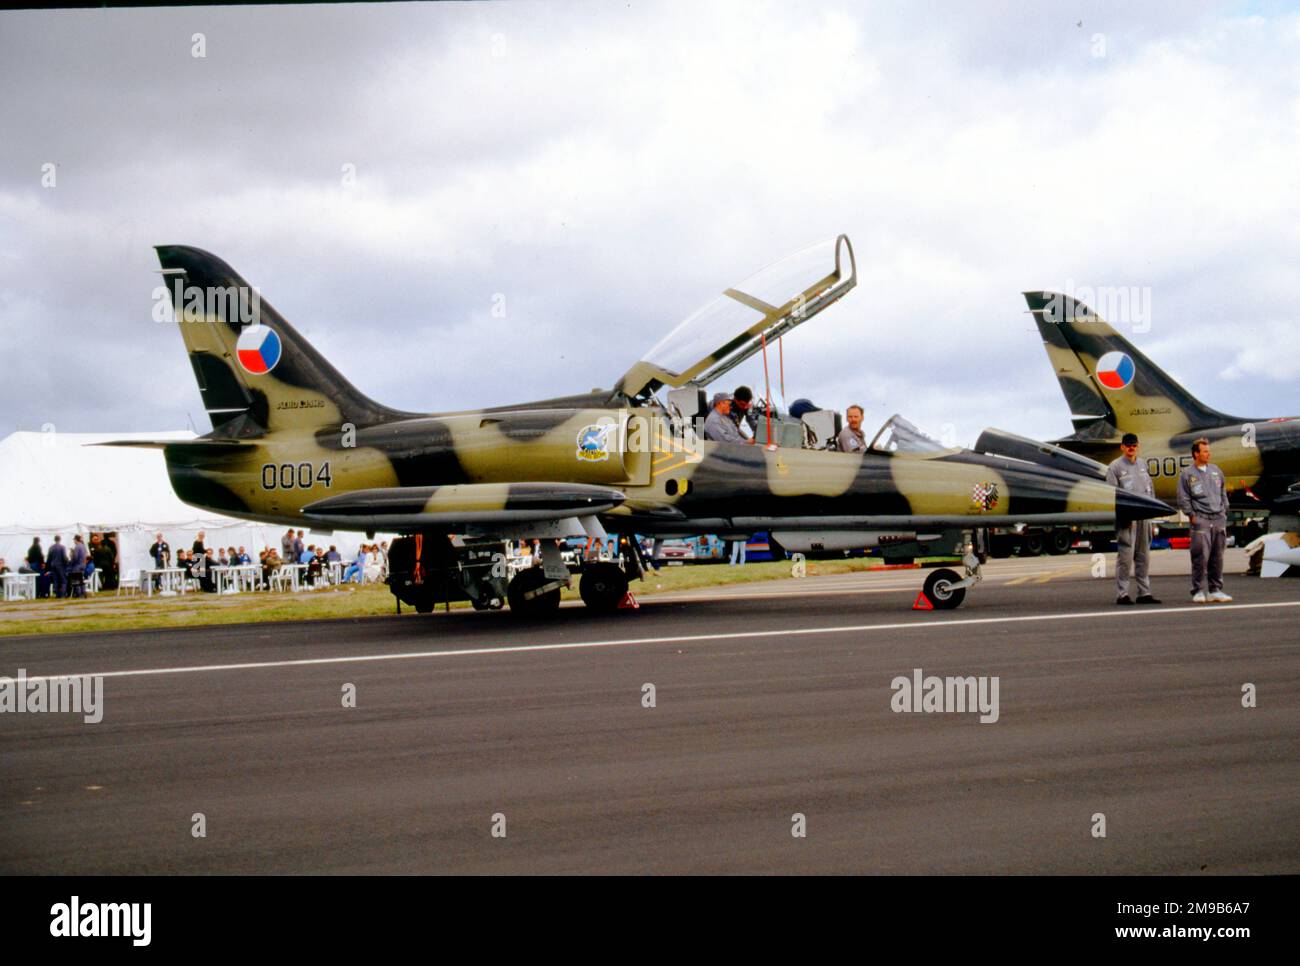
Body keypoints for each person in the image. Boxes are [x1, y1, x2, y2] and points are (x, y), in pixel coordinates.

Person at [1106, 433, 1161, 605]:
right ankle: (1122, 594)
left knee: (1144, 557)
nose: (1131, 447)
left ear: (1138, 446)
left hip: (1144, 519)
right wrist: (1124, 516)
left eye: (1134, 444)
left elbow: (1150, 490)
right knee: (1126, 557)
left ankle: (1144, 592)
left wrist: (1152, 518)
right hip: (1127, 520)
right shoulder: (1114, 467)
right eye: (1128, 445)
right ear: (1122, 447)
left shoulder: (1142, 465)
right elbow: (1112, 495)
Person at [1178, 437, 1231, 603]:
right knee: (1200, 557)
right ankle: (1198, 590)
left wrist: (1224, 511)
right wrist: (1192, 516)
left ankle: (1215, 589)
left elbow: (1223, 492)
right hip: (1201, 520)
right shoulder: (1187, 474)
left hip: (1218, 519)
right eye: (1205, 451)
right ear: (1196, 453)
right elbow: (1183, 497)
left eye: (1209, 451)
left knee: (1218, 556)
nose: (1209, 454)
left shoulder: (1216, 471)